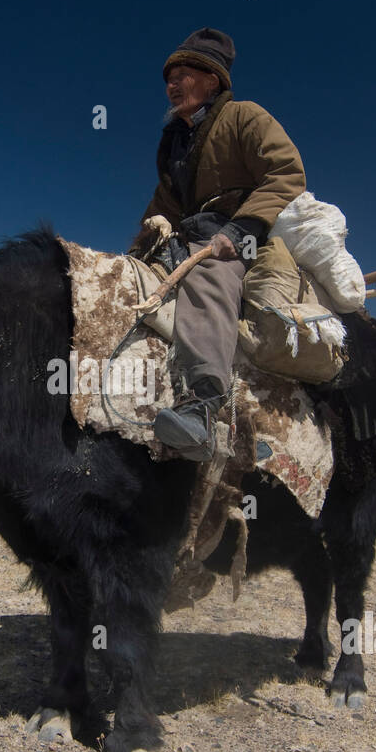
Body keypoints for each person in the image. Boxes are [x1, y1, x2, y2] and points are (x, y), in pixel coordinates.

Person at [128, 27, 306, 461]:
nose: (172, 84)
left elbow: (285, 172)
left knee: (207, 273)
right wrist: (134, 254)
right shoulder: (173, 143)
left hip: (240, 235)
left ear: (212, 80)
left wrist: (242, 229)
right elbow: (164, 204)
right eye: (169, 77)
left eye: (184, 74)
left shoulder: (245, 116)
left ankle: (202, 407)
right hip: (186, 234)